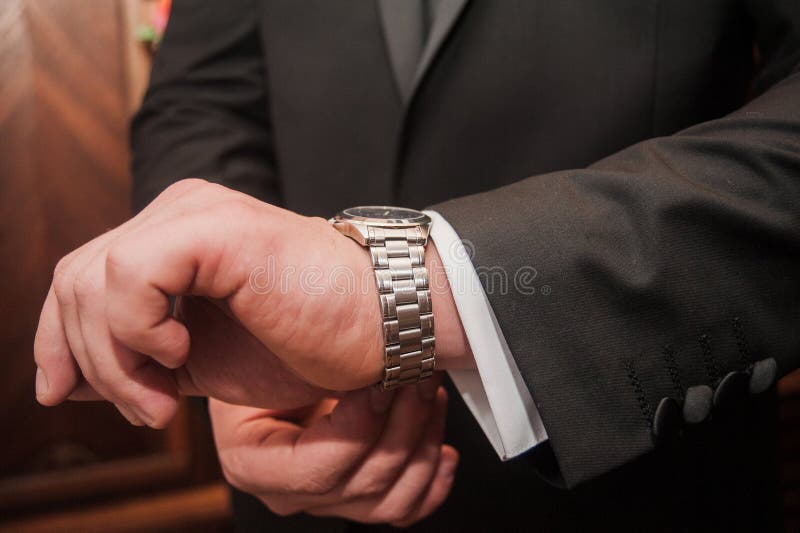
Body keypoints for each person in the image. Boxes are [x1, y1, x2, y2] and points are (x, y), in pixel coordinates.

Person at [33, 1, 800, 531]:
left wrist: (406, 290)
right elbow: (202, 98)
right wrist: (230, 335)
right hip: (290, 493)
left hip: (635, 474)